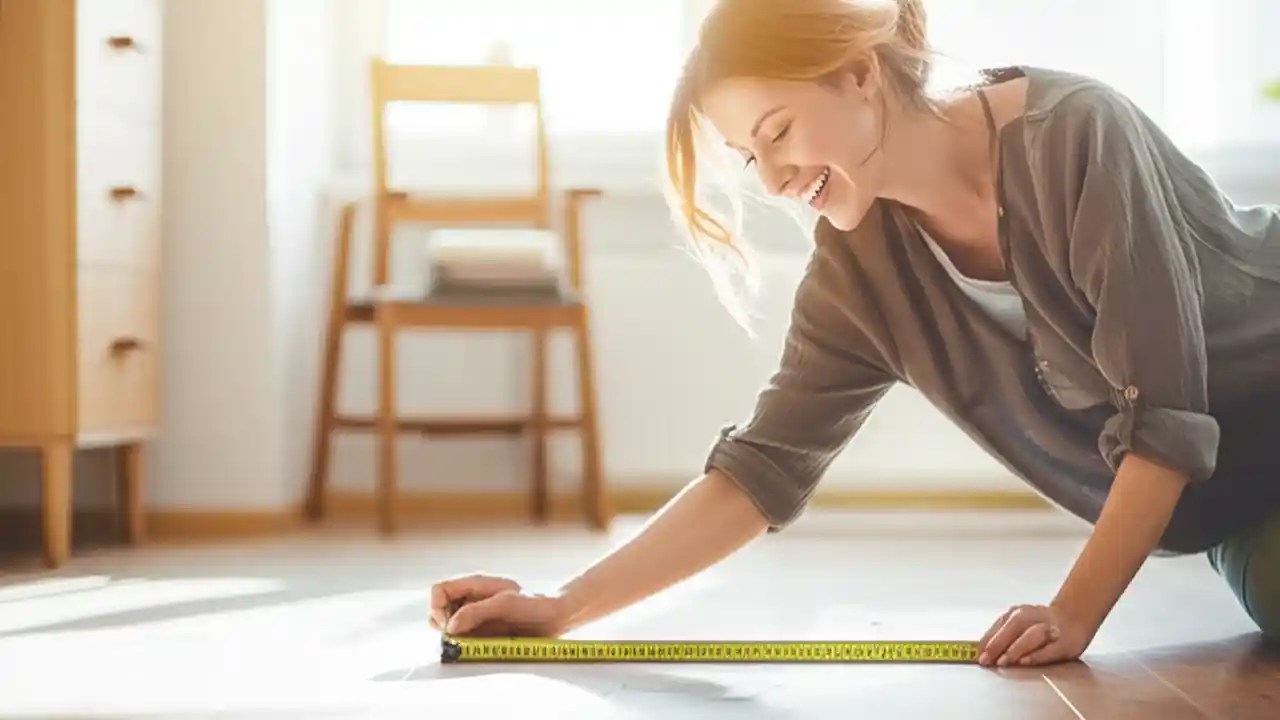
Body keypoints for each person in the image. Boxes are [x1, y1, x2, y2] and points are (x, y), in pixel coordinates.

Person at [429, 0, 1280, 668]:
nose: (770, 179)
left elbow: (1165, 416)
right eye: (746, 157)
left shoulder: (1076, 135)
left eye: (777, 133)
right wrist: (563, 607)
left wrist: (1072, 611)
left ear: (859, 75)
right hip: (1242, 504)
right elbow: (760, 472)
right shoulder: (859, 271)